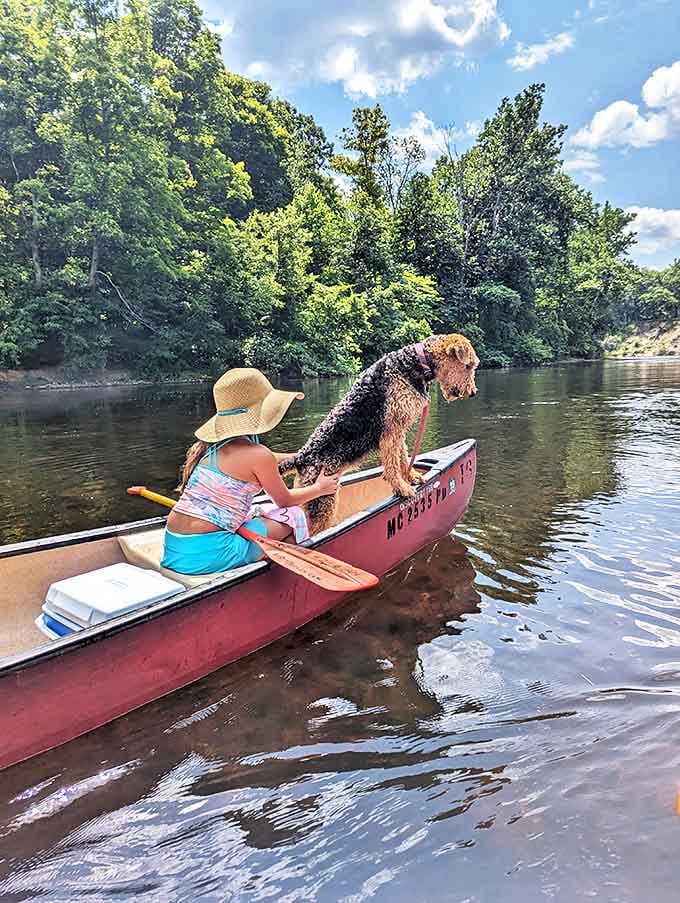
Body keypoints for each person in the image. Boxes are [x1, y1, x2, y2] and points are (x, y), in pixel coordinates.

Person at [161, 368, 339, 575]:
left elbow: (269, 458)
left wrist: (303, 456)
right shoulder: (257, 455)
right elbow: (286, 500)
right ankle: (283, 574)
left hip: (175, 549)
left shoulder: (213, 448)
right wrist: (320, 488)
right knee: (293, 516)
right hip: (210, 554)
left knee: (259, 509)